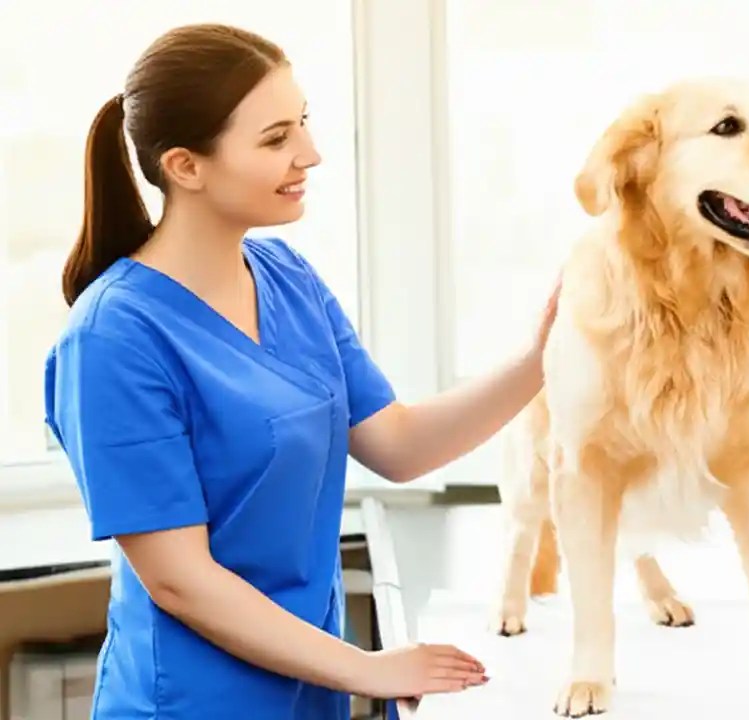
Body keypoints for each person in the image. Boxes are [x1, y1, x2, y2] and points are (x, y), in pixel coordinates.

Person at [43, 24, 558, 719]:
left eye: (304, 124)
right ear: (186, 166)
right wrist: (365, 669)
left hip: (310, 690)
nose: (309, 155)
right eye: (275, 138)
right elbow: (180, 582)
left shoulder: (285, 276)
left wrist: (544, 357)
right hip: (193, 705)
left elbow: (398, 444)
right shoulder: (113, 338)